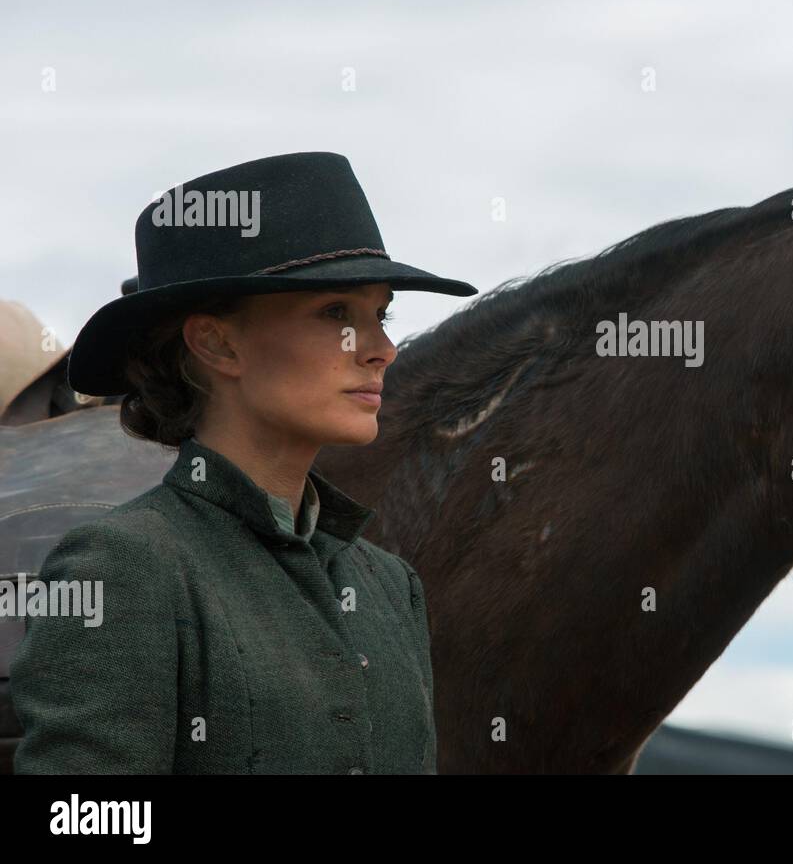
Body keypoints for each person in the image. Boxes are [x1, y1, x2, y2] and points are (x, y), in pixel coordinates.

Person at [9, 152, 476, 773]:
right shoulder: (127, 566)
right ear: (217, 343)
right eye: (337, 314)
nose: (382, 350)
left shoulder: (391, 587)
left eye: (381, 315)